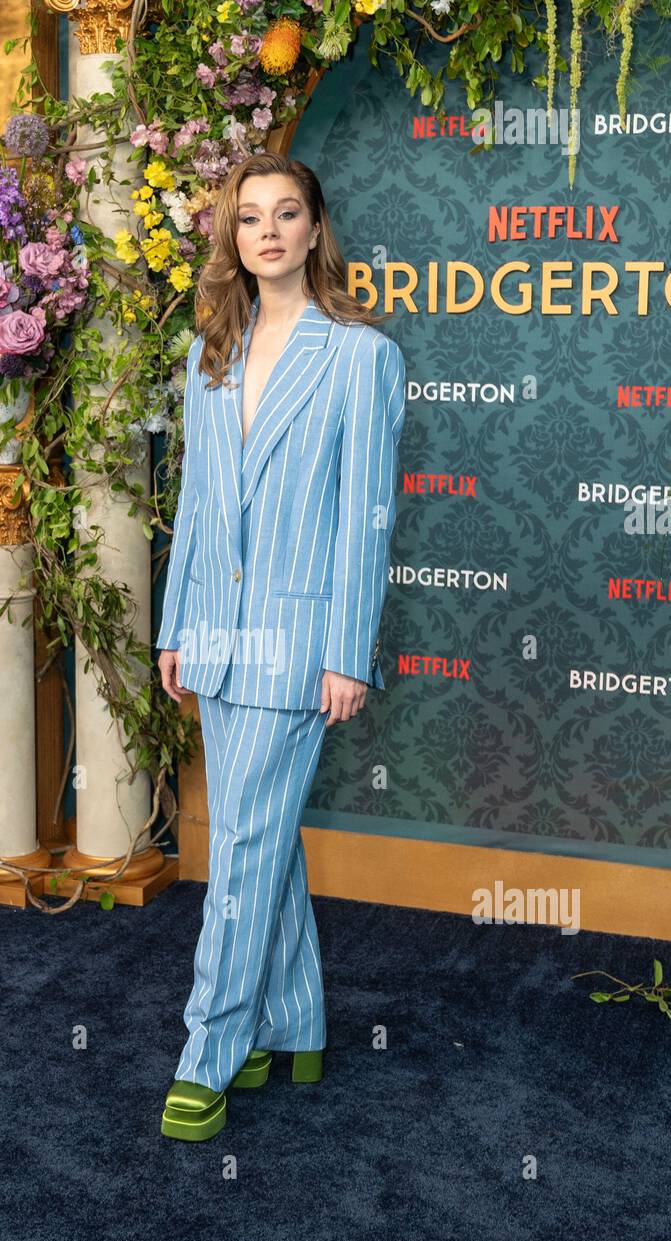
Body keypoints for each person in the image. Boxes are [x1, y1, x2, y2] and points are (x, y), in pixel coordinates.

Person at [156, 151, 406, 1141]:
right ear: (233, 236)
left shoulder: (359, 355)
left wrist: (345, 649)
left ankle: (207, 1048)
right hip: (214, 637)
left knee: (243, 843)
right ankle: (290, 1020)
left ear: (314, 229)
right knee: (261, 838)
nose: (266, 230)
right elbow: (197, 500)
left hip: (302, 640)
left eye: (286, 212)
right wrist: (176, 624)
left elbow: (366, 518)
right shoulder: (206, 350)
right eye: (249, 215)